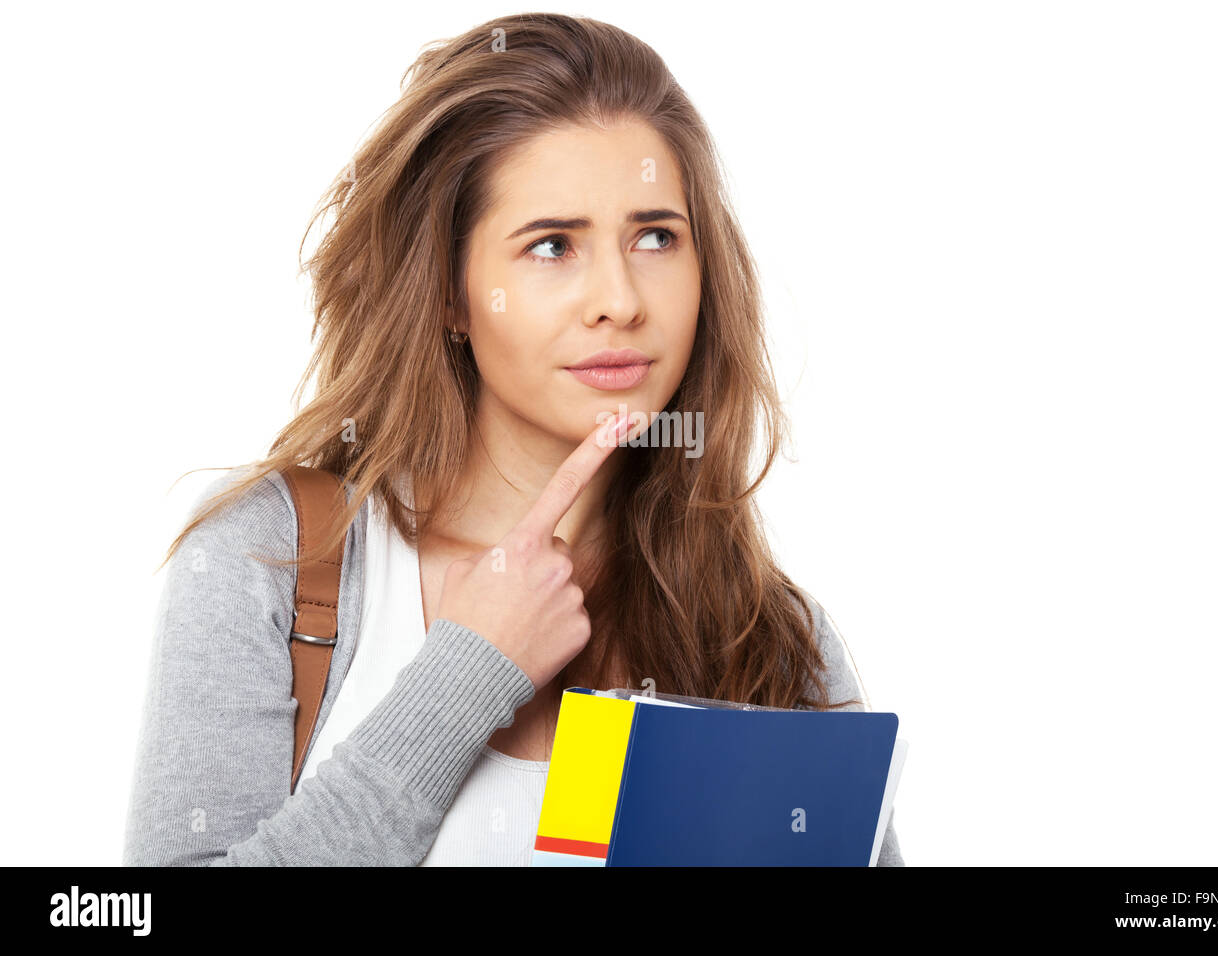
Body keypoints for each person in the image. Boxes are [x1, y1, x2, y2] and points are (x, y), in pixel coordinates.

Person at [122, 12, 904, 867]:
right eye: (552, 246)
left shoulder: (770, 635)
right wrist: (466, 674)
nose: (620, 299)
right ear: (453, 297)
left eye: (655, 236)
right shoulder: (279, 559)